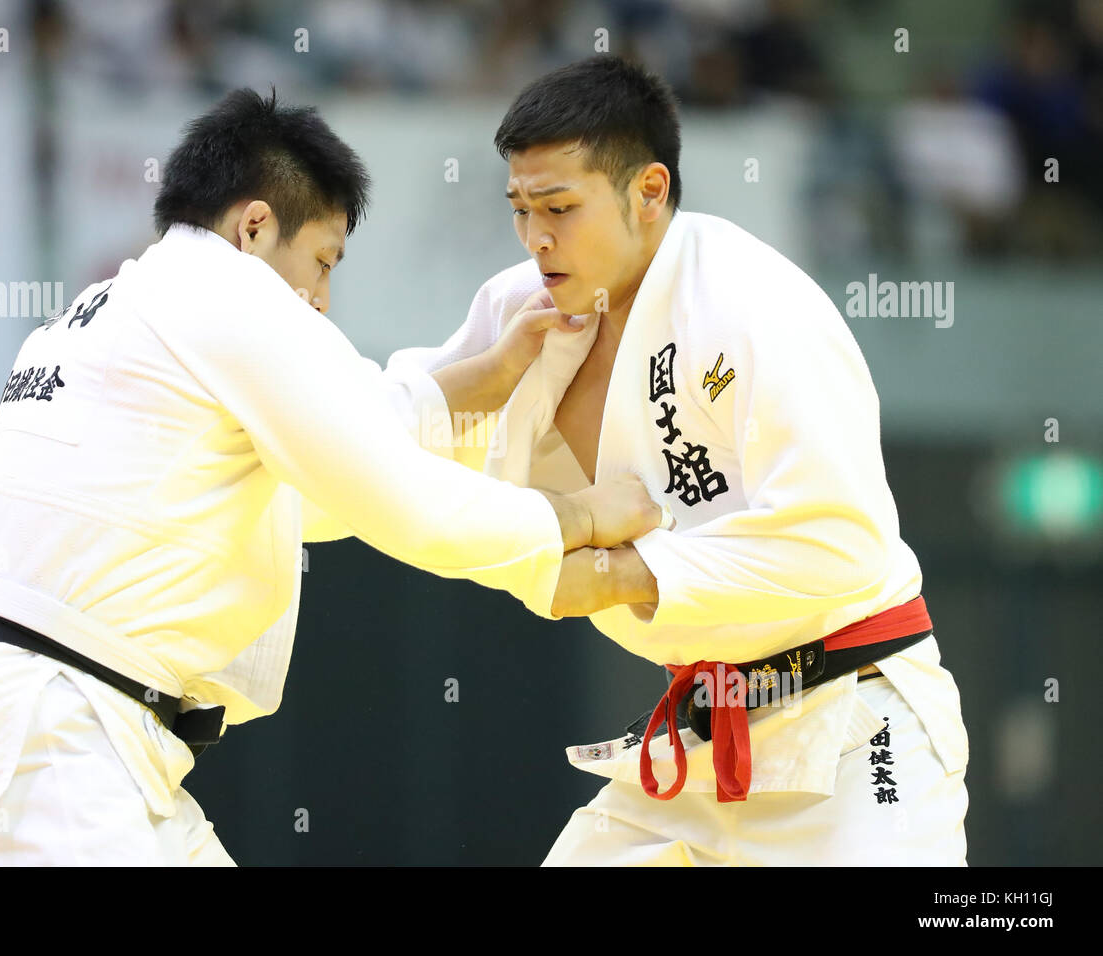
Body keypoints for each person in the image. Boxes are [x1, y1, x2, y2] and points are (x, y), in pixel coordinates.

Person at [0, 88, 662, 866]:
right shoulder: (223, 297)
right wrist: (577, 518)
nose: (320, 303)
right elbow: (396, 500)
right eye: (321, 263)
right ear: (254, 226)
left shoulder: (114, 310)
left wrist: (481, 381)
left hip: (54, 736)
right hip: (50, 746)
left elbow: (323, 462)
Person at [385, 56, 970, 866]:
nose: (537, 237)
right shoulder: (521, 307)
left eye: (560, 207)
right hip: (702, 736)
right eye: (521, 208)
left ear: (649, 192)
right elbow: (383, 445)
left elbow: (841, 544)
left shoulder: (754, 304)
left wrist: (627, 573)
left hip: (852, 721)